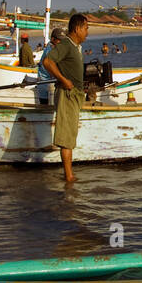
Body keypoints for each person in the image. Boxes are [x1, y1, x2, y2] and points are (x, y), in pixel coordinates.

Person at [38, 13, 89, 182]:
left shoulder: (74, 47)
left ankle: (69, 175)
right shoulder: (66, 44)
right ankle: (69, 176)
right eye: (86, 28)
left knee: (70, 135)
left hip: (74, 95)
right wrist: (64, 80)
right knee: (66, 138)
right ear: (77, 28)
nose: (87, 32)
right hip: (67, 95)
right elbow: (47, 62)